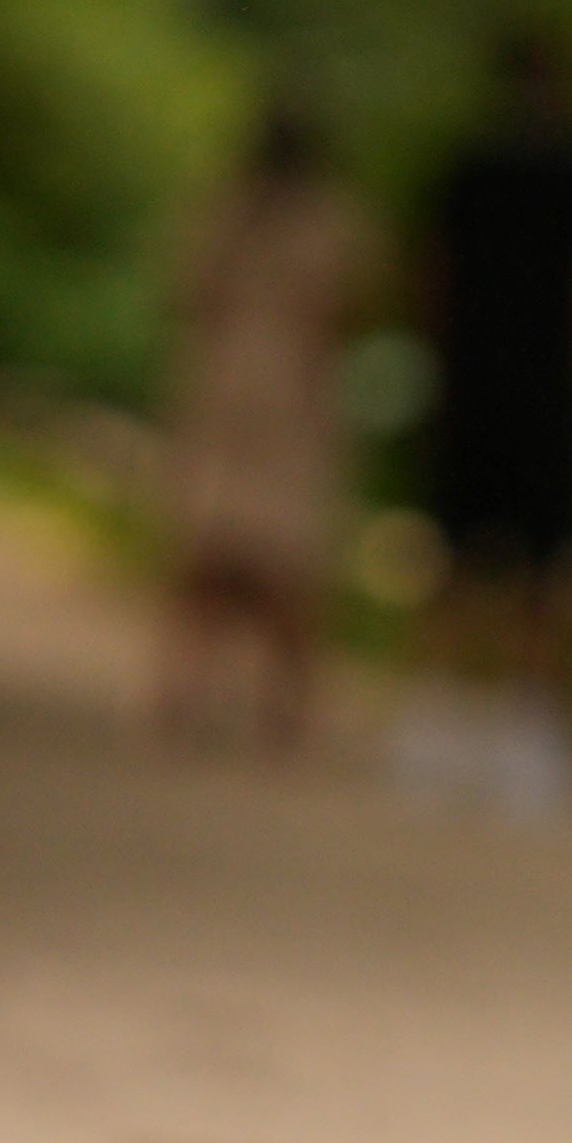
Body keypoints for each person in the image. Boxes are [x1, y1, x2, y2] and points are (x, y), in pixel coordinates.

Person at [401, 21, 572, 816]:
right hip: (543, 395)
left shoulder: (472, 169)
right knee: (542, 573)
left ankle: (439, 731)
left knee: (462, 561)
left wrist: (437, 369)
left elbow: (429, 280)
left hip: (478, 387)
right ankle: (521, 745)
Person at [150, 89, 375, 756]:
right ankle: (283, 701)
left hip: (223, 381)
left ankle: (187, 684)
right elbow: (338, 313)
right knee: (287, 553)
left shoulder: (225, 210)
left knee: (209, 542)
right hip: (294, 390)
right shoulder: (328, 222)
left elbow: (191, 295)